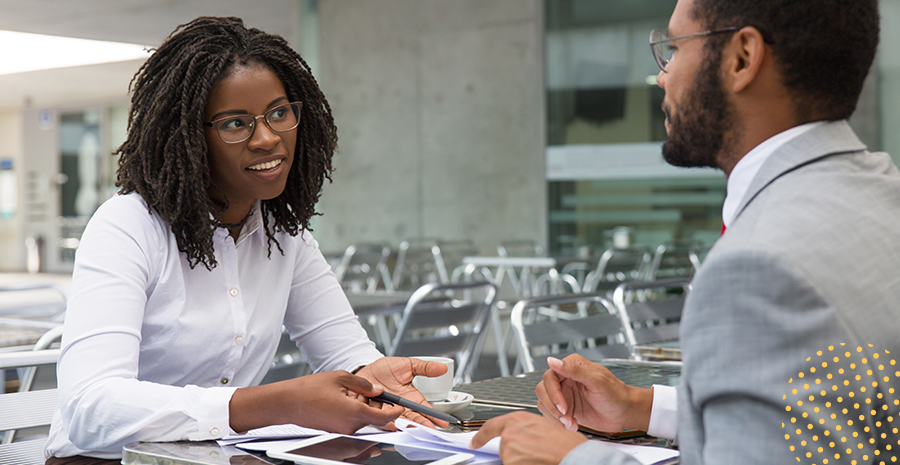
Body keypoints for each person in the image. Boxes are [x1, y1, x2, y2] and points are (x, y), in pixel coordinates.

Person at [471, 0, 900, 463]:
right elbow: (848, 415)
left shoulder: (758, 268)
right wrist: (641, 407)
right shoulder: (882, 195)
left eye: (674, 47)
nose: (661, 75)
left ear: (742, 58)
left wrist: (570, 457)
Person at [45, 16, 448, 464]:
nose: (268, 138)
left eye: (279, 113)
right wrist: (275, 403)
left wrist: (369, 376)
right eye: (236, 123)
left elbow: (345, 353)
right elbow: (90, 407)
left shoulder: (283, 233)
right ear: (186, 136)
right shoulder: (127, 226)